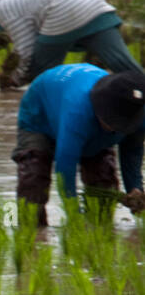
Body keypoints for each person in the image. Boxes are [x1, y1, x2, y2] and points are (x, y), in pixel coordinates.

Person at [12, 65, 145, 226]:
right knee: (33, 180)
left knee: (104, 184)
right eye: (110, 122)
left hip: (83, 119)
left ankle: (101, 233)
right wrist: (74, 216)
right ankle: (30, 233)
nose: (112, 128)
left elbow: (132, 153)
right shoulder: (78, 112)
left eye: (120, 126)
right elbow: (65, 169)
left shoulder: (138, 113)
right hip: (40, 115)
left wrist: (136, 192)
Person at [0, 0, 145, 89]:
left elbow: (25, 48)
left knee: (42, 73)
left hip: (62, 9)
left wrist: (15, 80)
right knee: (124, 66)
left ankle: (46, 113)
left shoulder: (1, 8)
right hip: (93, 1)